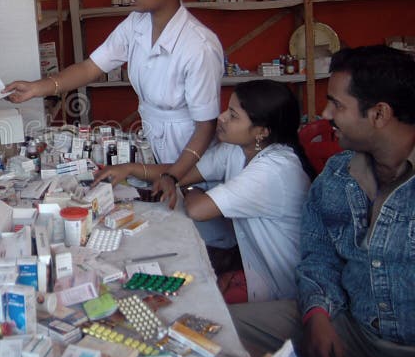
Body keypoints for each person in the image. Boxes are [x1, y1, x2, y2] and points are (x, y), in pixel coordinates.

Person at [6, 0, 234, 250]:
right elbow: (90, 67)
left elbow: (205, 127)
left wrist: (174, 175)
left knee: (196, 236)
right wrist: (37, 87)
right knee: (161, 231)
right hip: (157, 142)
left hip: (192, 152)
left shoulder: (199, 46)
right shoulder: (136, 24)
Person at [230, 45, 415, 357]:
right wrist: (317, 314)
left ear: (379, 114)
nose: (326, 114)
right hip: (351, 327)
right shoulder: (338, 175)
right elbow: (319, 256)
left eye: (336, 105)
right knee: (216, 329)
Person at [94, 80, 314, 303]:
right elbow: (183, 171)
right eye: (228, 109)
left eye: (234, 115)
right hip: (255, 269)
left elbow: (198, 209)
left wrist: (190, 189)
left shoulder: (272, 171)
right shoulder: (238, 149)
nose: (222, 117)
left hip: (286, 291)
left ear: (261, 132)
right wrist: (130, 168)